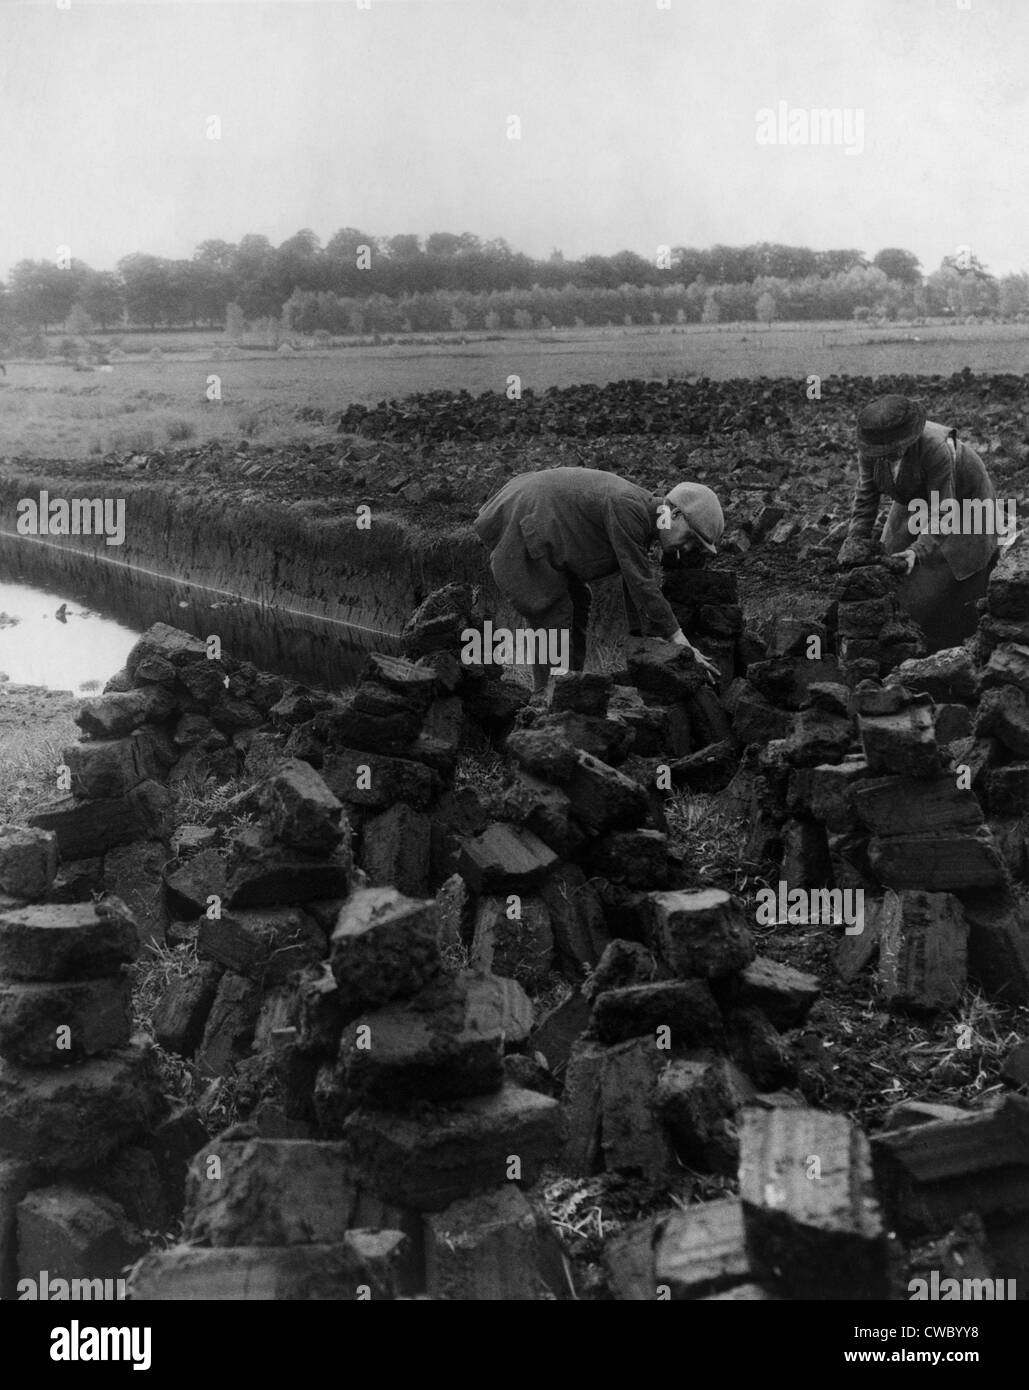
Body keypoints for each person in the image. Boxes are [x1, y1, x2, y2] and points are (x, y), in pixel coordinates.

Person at [473, 466, 724, 690]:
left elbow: (632, 579)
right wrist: (680, 641)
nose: (688, 548)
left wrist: (642, 638)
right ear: (675, 514)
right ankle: (546, 701)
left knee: (580, 600)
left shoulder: (649, 514)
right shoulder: (629, 507)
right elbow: (641, 581)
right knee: (554, 615)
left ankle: (573, 686)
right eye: (690, 538)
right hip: (528, 519)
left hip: (544, 522)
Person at [837, 395, 1003, 650]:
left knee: (953, 564)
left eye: (894, 449)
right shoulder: (871, 449)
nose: (888, 455)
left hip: (964, 498)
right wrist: (854, 543)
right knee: (893, 561)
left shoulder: (935, 447)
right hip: (913, 492)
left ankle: (954, 639)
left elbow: (945, 510)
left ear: (908, 438)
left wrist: (919, 550)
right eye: (883, 452)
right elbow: (866, 496)